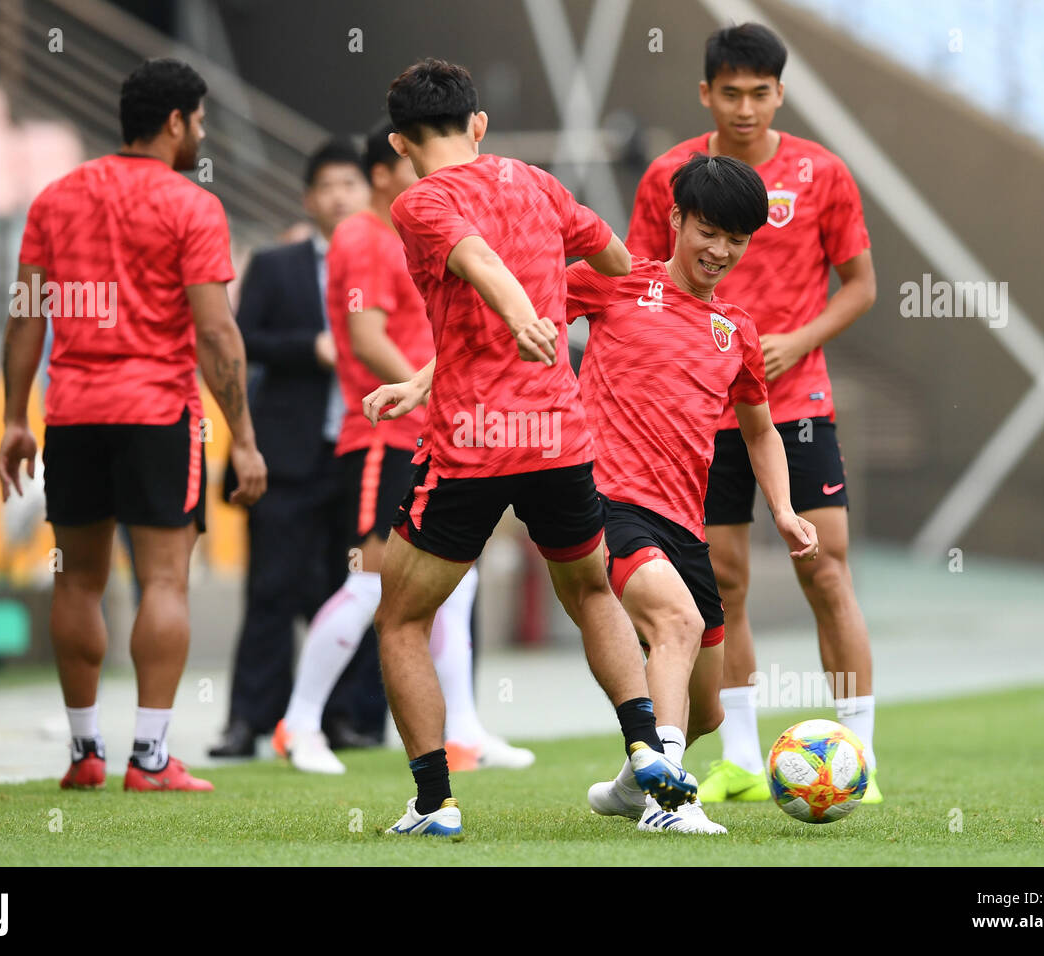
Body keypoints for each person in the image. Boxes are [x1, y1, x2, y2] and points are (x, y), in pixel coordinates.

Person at [363, 59, 695, 837]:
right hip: (556, 433)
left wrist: (516, 315)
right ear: (478, 125)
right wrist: (438, 369)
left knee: (402, 622)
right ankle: (646, 746)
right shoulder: (537, 183)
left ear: (399, 142)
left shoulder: (418, 201)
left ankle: (434, 801)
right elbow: (613, 257)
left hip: (475, 443)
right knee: (590, 595)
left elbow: (478, 263)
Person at [625, 22, 880, 804]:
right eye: (729, 92)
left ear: (780, 92)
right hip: (702, 411)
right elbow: (638, 281)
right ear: (705, 93)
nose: (744, 106)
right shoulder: (670, 175)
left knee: (825, 565)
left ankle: (858, 755)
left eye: (759, 92)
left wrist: (791, 341)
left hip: (794, 401)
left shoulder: (823, 173)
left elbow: (861, 286)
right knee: (722, 580)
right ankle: (737, 752)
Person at [0, 57, 267, 792]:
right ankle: (149, 758)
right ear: (176, 121)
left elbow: (25, 316)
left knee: (77, 582)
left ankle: (85, 752)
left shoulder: (55, 198)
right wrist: (242, 438)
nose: (201, 133)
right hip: (157, 412)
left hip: (74, 413)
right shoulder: (193, 206)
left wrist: (16, 418)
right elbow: (216, 335)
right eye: (201, 120)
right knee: (164, 581)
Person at [275, 123, 533, 775]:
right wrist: (428, 392)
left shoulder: (407, 230)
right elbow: (363, 338)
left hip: (431, 431)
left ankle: (465, 729)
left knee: (460, 583)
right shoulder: (364, 234)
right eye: (416, 157)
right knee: (371, 584)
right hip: (383, 439)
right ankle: (298, 724)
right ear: (390, 166)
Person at [575, 155, 817, 834]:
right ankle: (668, 803)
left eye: (736, 239)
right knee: (675, 624)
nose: (720, 251)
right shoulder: (616, 283)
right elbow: (524, 302)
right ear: (676, 219)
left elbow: (761, 430)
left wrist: (784, 509)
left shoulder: (735, 330)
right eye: (709, 231)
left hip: (686, 527)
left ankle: (634, 780)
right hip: (607, 502)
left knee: (707, 708)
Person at [208, 140, 381, 759]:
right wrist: (313, 347)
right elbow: (243, 339)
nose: (338, 196)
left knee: (351, 586)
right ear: (309, 198)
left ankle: (344, 719)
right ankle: (246, 721)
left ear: (370, 192)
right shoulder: (277, 264)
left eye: (349, 184)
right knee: (270, 587)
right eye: (326, 186)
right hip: (288, 450)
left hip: (360, 453)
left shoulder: (387, 258)